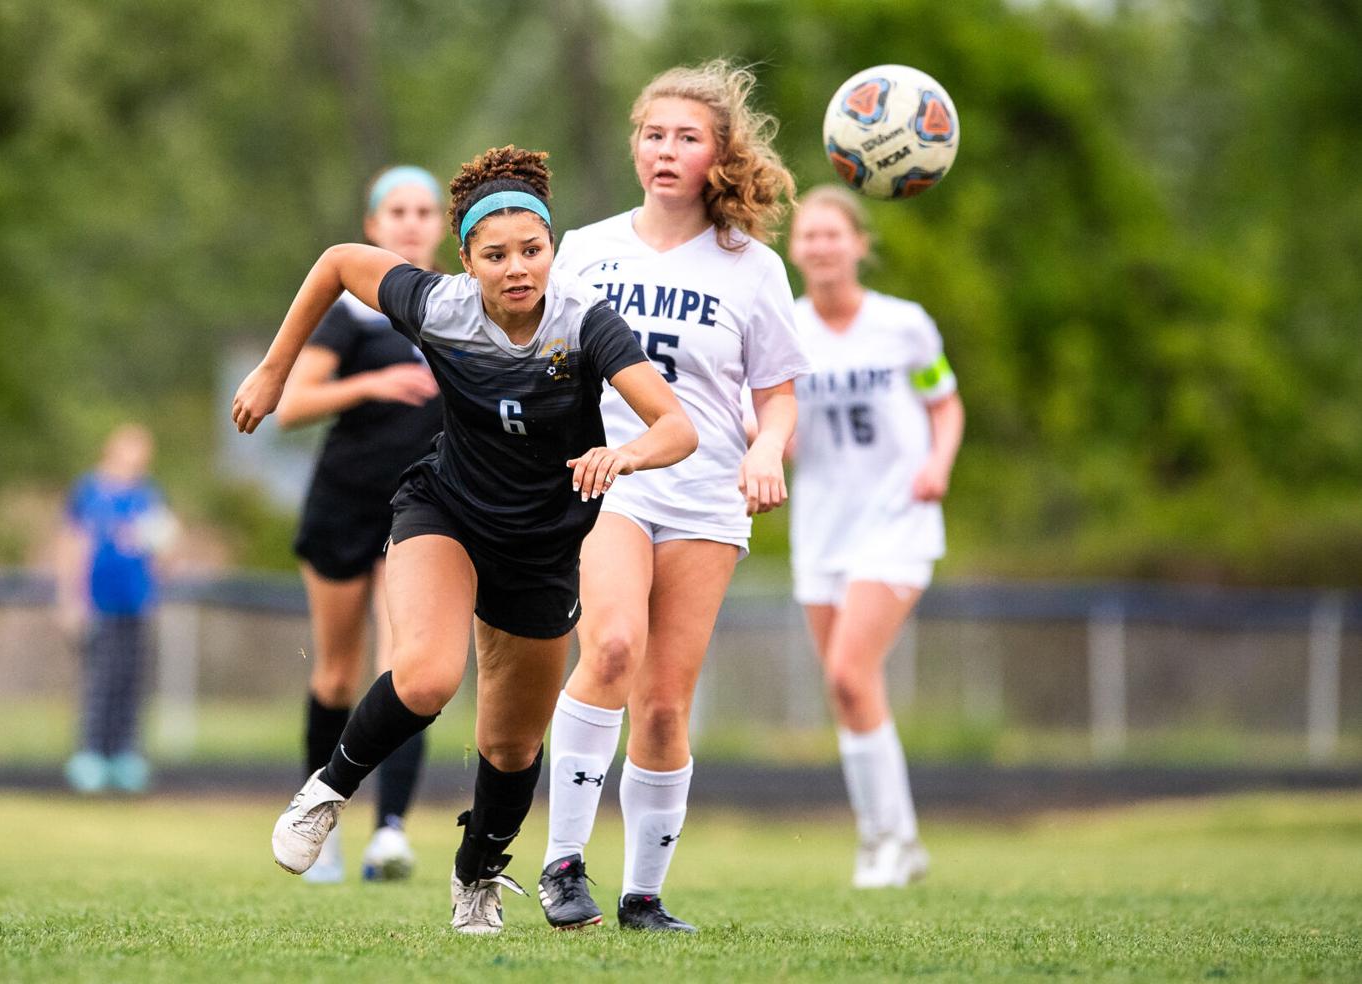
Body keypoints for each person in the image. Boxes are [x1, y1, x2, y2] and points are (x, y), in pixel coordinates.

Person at [231, 145, 697, 936]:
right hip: (444, 512)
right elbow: (341, 261)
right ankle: (326, 793)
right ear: (466, 261)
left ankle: (475, 876)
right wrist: (276, 372)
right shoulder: (439, 305)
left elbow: (677, 427)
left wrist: (623, 453)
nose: (517, 268)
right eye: (496, 255)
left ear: (552, 249)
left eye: (532, 250)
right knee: (425, 677)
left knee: (512, 745)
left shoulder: (585, 323)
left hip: (543, 546)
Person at [538, 61, 811, 933]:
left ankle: (643, 897)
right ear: (634, 144)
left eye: (687, 138)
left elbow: (777, 392)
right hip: (607, 479)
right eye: (653, 134)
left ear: (718, 156)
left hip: (705, 497)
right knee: (611, 646)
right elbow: (542, 363)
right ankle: (562, 865)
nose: (666, 151)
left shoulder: (754, 268)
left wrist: (768, 448)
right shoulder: (583, 248)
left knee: (663, 702)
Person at [785, 184, 965, 888]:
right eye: (809, 236)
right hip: (823, 528)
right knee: (852, 692)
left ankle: (886, 842)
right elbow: (775, 423)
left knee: (847, 673)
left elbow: (944, 404)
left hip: (897, 521)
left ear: (860, 244)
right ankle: (896, 840)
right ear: (794, 249)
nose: (822, 246)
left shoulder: (903, 326)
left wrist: (937, 464)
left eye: (835, 234)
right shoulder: (785, 328)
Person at [276, 166, 446, 885]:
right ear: (372, 226)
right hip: (344, 506)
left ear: (443, 225)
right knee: (339, 672)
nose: (410, 222)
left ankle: (392, 831)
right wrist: (374, 382)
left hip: (423, 512)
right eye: (396, 211)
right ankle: (322, 830)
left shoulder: (456, 307)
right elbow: (292, 404)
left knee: (406, 665)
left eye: (424, 211)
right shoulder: (350, 314)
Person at [57, 423, 177, 795]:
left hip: (136, 604)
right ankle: (91, 755)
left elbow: (165, 547)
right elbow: (71, 546)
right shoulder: (88, 492)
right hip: (99, 604)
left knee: (130, 680)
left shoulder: (148, 495)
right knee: (100, 682)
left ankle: (125, 756)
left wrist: (162, 551)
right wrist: (70, 599)